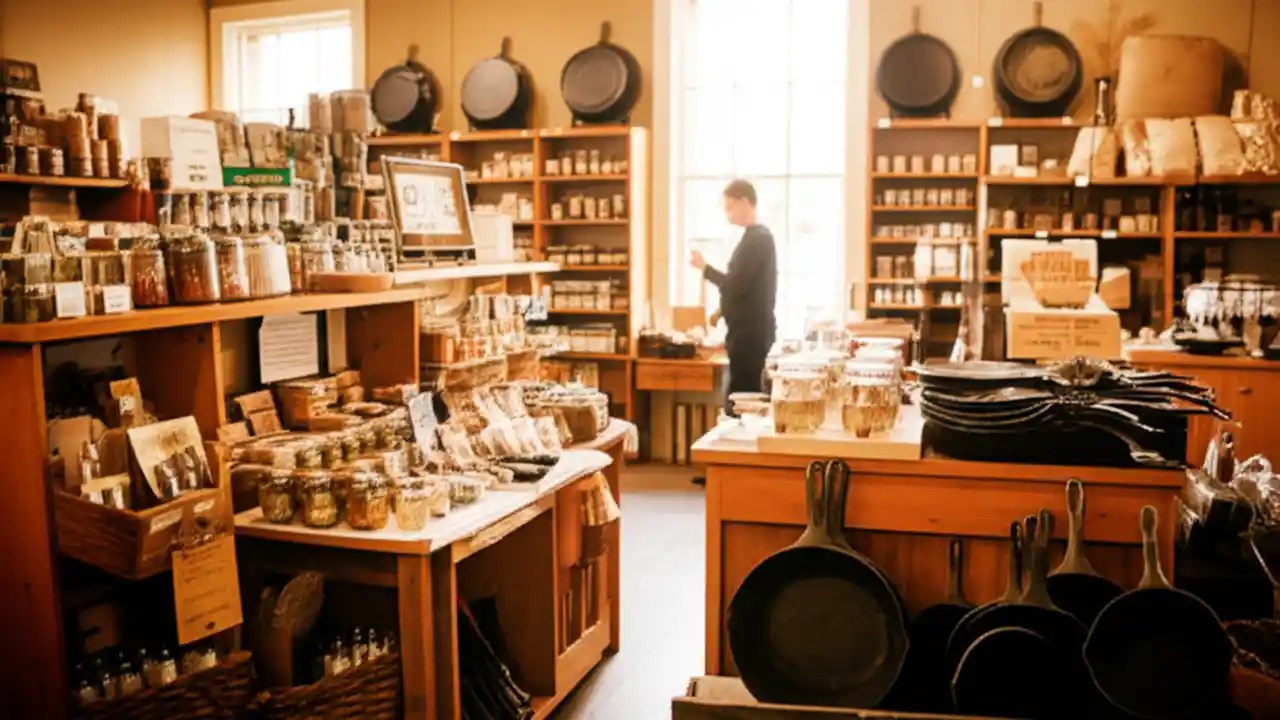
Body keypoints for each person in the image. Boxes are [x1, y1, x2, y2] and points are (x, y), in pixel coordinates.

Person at [691, 179, 778, 416]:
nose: (727, 214)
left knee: (741, 402)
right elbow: (747, 289)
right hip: (747, 335)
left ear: (744, 202)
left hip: (750, 338)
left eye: (730, 207)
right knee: (738, 397)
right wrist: (722, 311)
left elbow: (735, 285)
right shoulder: (753, 238)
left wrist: (705, 268)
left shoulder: (758, 240)